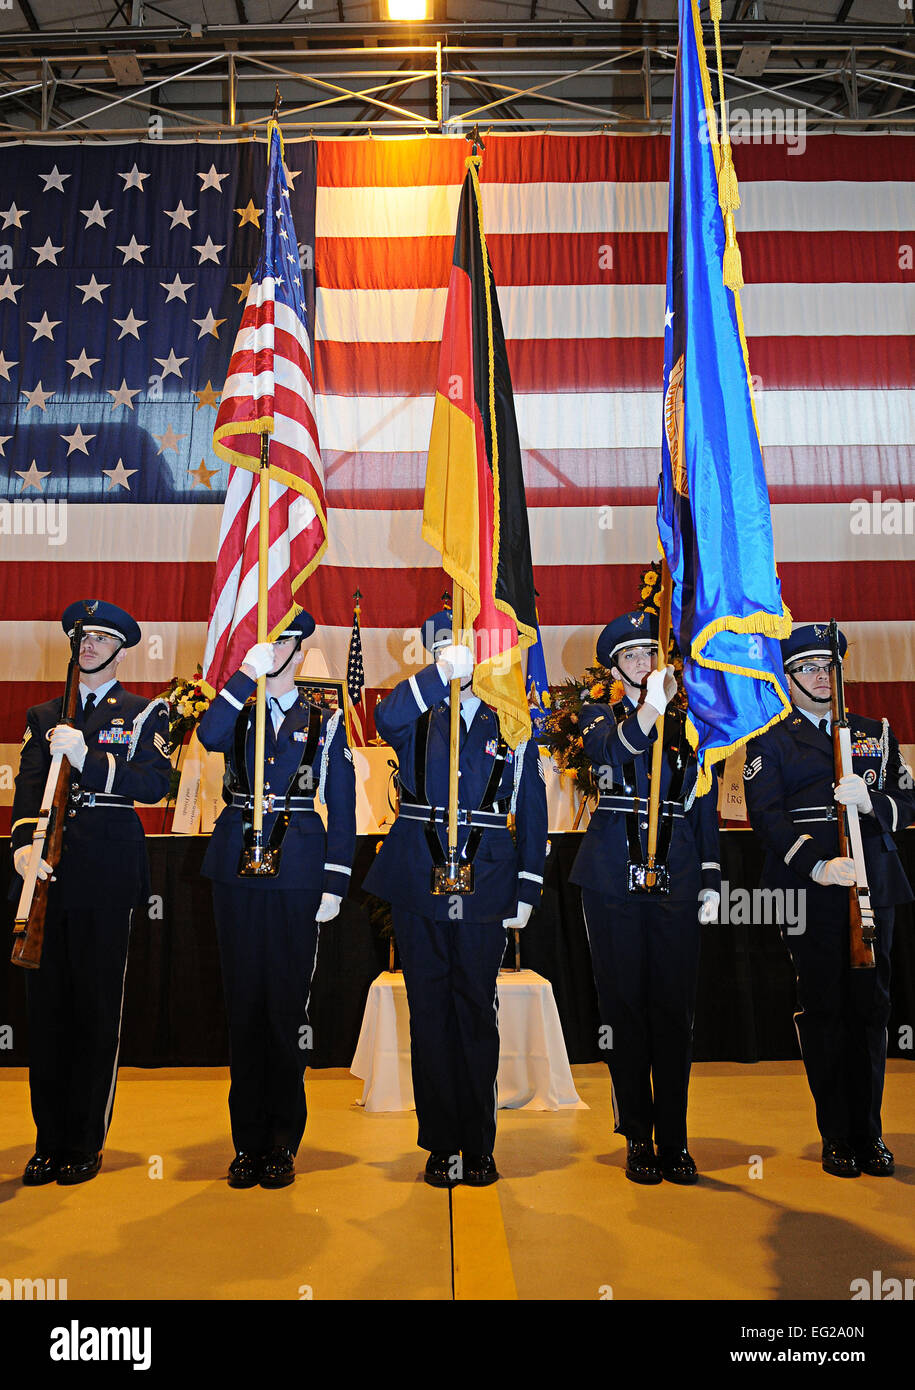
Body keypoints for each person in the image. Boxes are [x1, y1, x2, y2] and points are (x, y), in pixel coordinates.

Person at [363, 610, 548, 1188]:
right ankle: (442, 1144)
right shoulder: (415, 710)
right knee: (429, 1013)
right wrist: (437, 674)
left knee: (474, 1010)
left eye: (461, 645)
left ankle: (478, 1143)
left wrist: (528, 884)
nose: (453, 655)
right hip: (419, 878)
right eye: (441, 646)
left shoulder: (507, 716)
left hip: (486, 877)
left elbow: (531, 804)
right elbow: (384, 717)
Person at [743, 623, 914, 1178]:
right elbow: (767, 817)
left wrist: (872, 804)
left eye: (829, 667)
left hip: (874, 884)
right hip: (812, 890)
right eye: (809, 668)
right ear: (788, 678)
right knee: (824, 1010)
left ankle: (870, 1132)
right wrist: (816, 865)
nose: (822, 676)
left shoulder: (873, 732)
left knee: (872, 1009)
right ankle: (837, 1135)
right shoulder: (771, 740)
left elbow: (907, 800)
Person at [11, 600, 172, 1185]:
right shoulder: (44, 715)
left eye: (103, 638)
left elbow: (155, 784)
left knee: (96, 1010)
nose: (90, 645)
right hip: (47, 874)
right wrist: (22, 847)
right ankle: (48, 1139)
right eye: (84, 636)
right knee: (47, 1012)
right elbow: (28, 788)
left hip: (105, 872)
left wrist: (89, 758)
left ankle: (84, 1140)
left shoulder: (143, 712)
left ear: (121, 650)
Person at [197, 612, 356, 1189]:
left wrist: (336, 880)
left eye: (281, 640)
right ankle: (248, 1141)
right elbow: (208, 736)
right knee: (243, 1005)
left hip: (297, 870)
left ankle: (283, 1140)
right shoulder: (237, 711)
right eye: (264, 640)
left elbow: (343, 803)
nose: (272, 648)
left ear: (297, 648)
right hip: (236, 868)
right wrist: (243, 676)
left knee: (286, 1007)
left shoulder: (325, 721)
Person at [569, 610, 721, 1185]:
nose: (642, 662)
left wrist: (710, 877)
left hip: (676, 875)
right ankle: (637, 1134)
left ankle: (675, 1138)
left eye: (649, 653)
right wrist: (652, 706)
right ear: (615, 669)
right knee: (624, 1009)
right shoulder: (596, 715)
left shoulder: (691, 726)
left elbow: (701, 803)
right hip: (612, 878)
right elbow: (613, 755)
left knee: (674, 1012)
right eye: (630, 656)